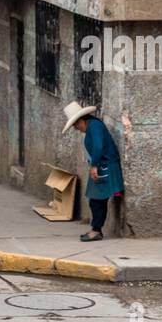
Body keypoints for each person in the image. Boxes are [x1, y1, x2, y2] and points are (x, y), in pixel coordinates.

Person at [63, 101, 124, 241]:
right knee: (95, 200)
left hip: (105, 166)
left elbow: (98, 146)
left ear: (81, 120)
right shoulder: (92, 126)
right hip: (101, 165)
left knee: (97, 200)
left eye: (76, 125)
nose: (76, 128)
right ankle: (96, 229)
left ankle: (96, 230)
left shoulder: (95, 126)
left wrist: (94, 165)